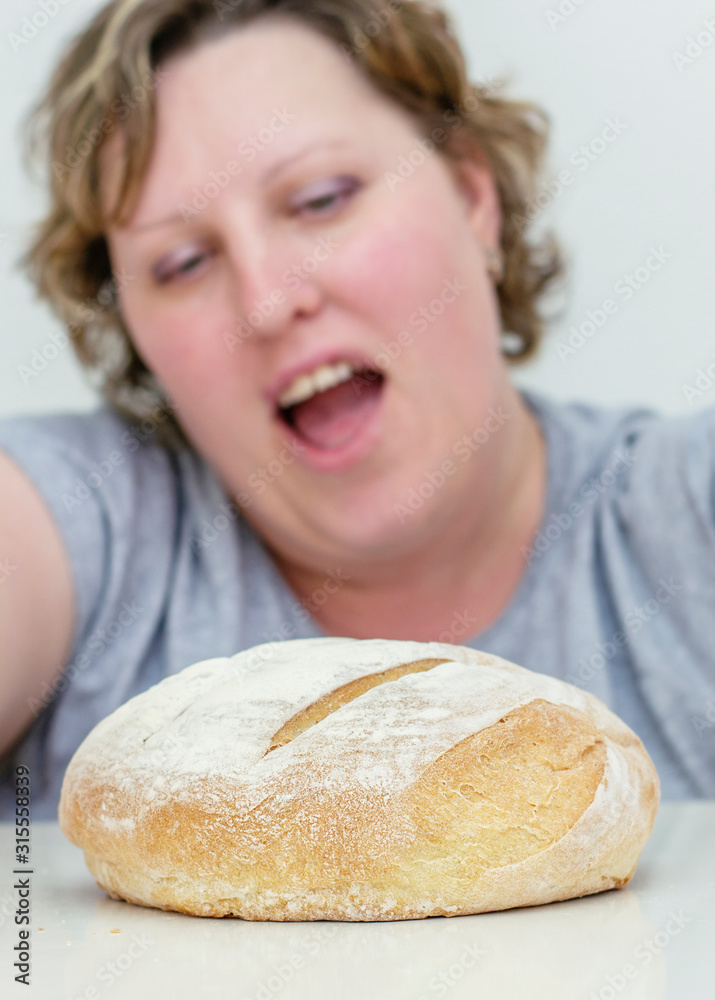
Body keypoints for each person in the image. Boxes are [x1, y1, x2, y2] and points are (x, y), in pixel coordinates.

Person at [0, 0, 713, 820]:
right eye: (184, 261)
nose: (266, 302)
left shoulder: (687, 518)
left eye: (321, 200)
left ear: (471, 195)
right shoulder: (88, 534)